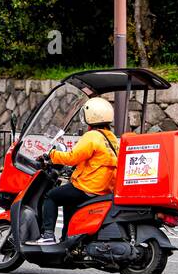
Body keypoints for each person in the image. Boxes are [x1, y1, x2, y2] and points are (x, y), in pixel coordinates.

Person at [27, 96, 119, 244]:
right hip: (104, 187)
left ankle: (48, 235)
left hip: (89, 186)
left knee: (51, 196)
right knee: (69, 203)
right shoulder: (111, 138)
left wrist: (52, 155)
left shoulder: (92, 136)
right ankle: (67, 238)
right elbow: (96, 160)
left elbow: (72, 157)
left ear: (91, 116)